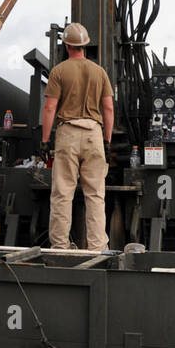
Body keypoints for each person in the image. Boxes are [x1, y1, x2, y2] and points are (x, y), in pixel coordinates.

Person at [41, 22, 114, 251]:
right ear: (85, 44)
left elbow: (50, 108)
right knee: (95, 195)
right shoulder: (100, 72)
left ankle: (60, 247)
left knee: (63, 193)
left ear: (66, 44)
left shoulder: (59, 71)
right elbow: (109, 109)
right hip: (94, 134)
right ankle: (97, 248)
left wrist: (45, 141)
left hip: (68, 134)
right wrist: (107, 141)